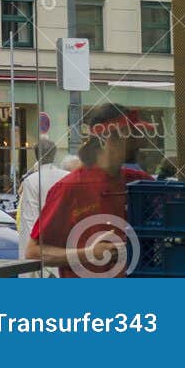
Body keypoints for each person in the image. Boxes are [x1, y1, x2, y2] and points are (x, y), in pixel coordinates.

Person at [27, 102, 143, 276]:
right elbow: (34, 252)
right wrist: (88, 254)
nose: (139, 142)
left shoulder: (137, 181)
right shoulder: (69, 188)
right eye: (132, 135)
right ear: (109, 140)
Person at [17, 138, 69, 258]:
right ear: (54, 154)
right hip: (64, 240)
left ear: (36, 156)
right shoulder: (67, 177)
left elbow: (30, 218)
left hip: (39, 243)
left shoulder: (31, 181)